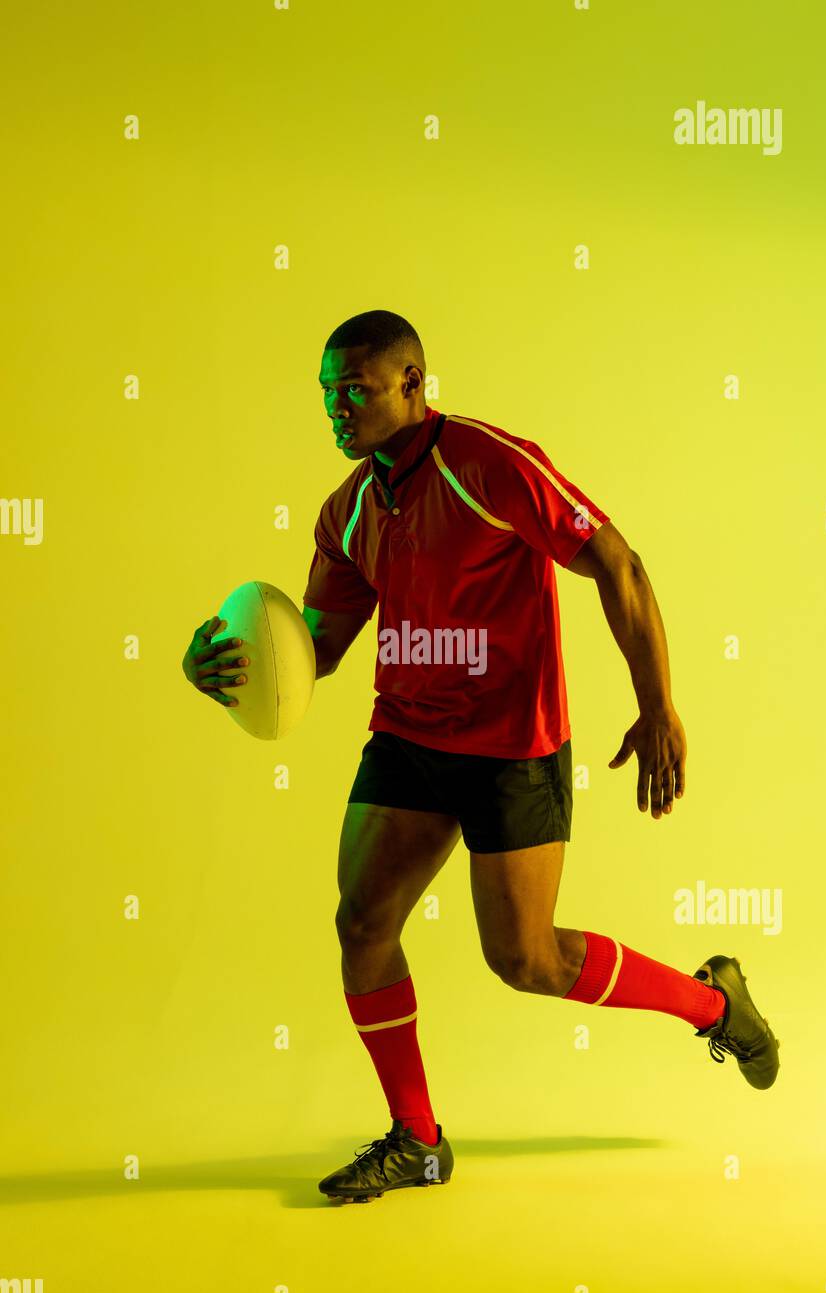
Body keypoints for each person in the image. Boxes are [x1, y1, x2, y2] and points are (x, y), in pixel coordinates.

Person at [182, 309, 780, 1204]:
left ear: (414, 385)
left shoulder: (489, 463)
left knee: (526, 960)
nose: (337, 409)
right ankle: (418, 1140)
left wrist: (656, 706)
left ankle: (715, 1003)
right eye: (327, 394)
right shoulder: (347, 511)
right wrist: (226, 667)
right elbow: (317, 648)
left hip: (512, 747)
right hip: (409, 738)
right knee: (360, 925)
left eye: (358, 389)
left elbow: (617, 563)